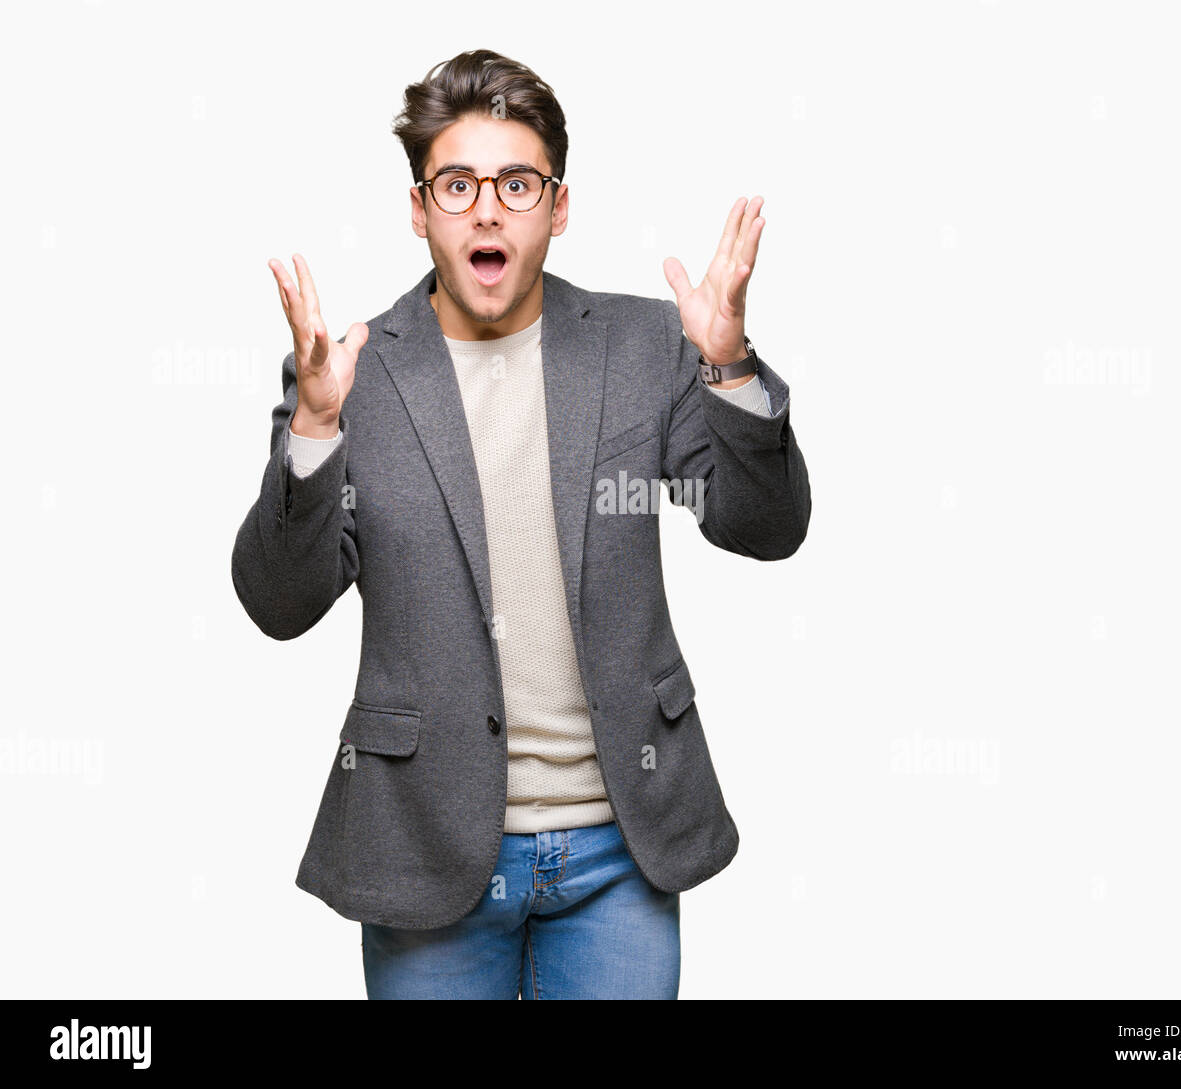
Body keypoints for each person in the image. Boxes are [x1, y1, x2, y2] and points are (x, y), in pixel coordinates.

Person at [233, 48, 811, 999]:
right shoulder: (352, 377)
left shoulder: (640, 347)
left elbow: (763, 524)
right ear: (419, 211)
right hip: (429, 847)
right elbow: (280, 602)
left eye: (516, 181)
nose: (489, 208)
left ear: (559, 205)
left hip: (620, 853)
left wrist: (729, 367)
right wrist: (315, 427)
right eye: (457, 184)